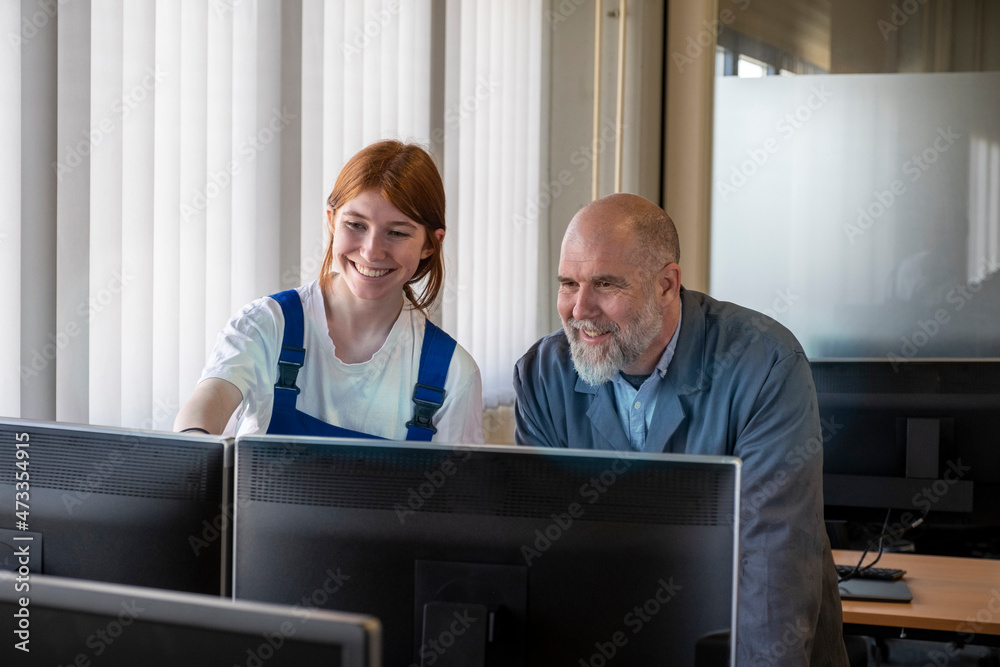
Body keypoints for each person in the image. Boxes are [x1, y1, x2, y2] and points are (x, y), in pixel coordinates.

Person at [513, 193, 848, 665]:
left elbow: (772, 573)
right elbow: (543, 559)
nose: (579, 309)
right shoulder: (541, 375)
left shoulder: (764, 365)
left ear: (667, 285)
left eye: (606, 284)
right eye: (569, 283)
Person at [175, 140, 483, 443]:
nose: (371, 251)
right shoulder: (267, 325)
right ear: (332, 220)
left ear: (430, 244)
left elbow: (454, 491)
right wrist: (194, 441)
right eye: (356, 225)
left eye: (397, 233)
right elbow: (210, 400)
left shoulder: (454, 375)